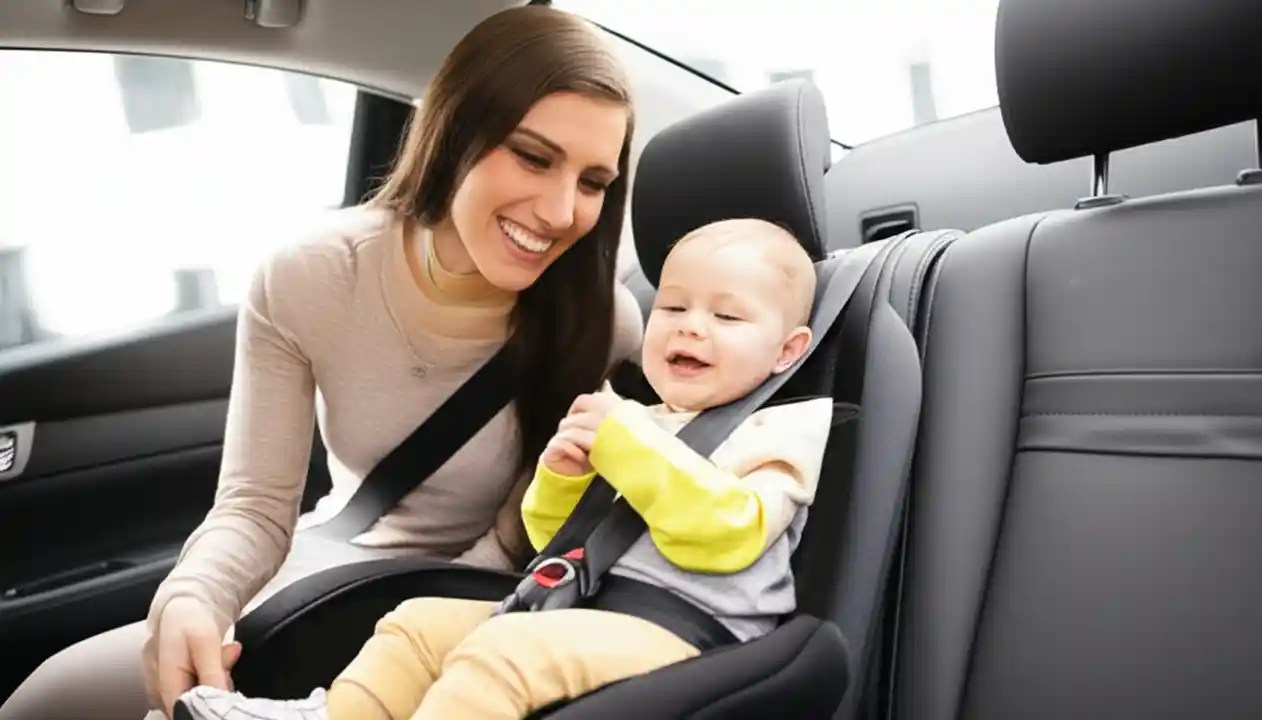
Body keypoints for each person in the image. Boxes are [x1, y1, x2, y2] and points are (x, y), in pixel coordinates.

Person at [0, 7, 643, 720]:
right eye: (533, 156)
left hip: (466, 612)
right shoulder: (311, 275)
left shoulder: (605, 324)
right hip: (319, 570)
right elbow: (254, 506)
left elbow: (523, 542)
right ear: (458, 133)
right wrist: (193, 595)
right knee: (43, 702)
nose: (560, 210)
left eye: (593, 182)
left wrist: (393, 640)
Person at [175, 218, 832, 720]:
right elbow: (555, 540)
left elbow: (731, 532)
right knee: (417, 623)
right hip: (585, 602)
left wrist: (627, 445)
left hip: (689, 630)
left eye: (725, 315)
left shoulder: (782, 429)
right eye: (674, 308)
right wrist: (565, 474)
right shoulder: (643, 420)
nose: (691, 327)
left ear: (787, 350)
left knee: (503, 652)